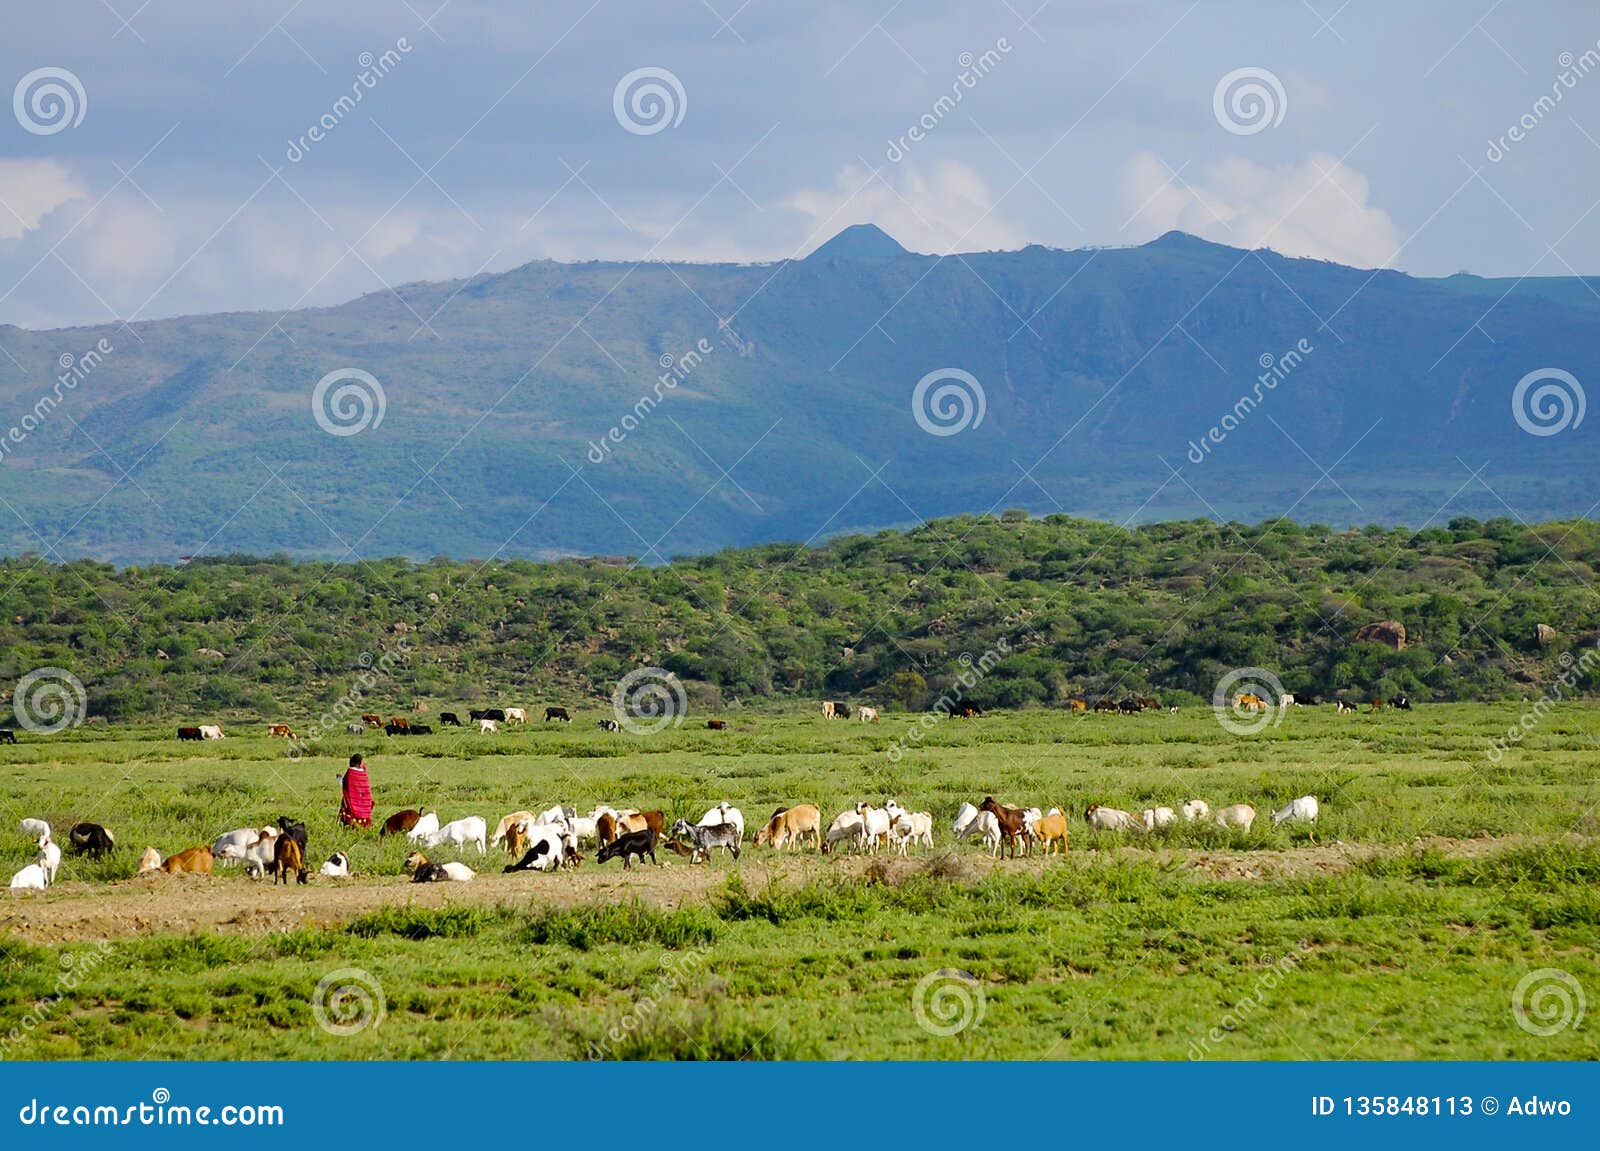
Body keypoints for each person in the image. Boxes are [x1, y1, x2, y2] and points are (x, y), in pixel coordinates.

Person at [339, 753, 373, 828]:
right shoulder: (363, 773)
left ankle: (349, 826)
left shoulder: (350, 772)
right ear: (361, 762)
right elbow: (366, 788)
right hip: (363, 800)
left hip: (352, 800)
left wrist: (340, 779)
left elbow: (345, 784)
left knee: (347, 810)